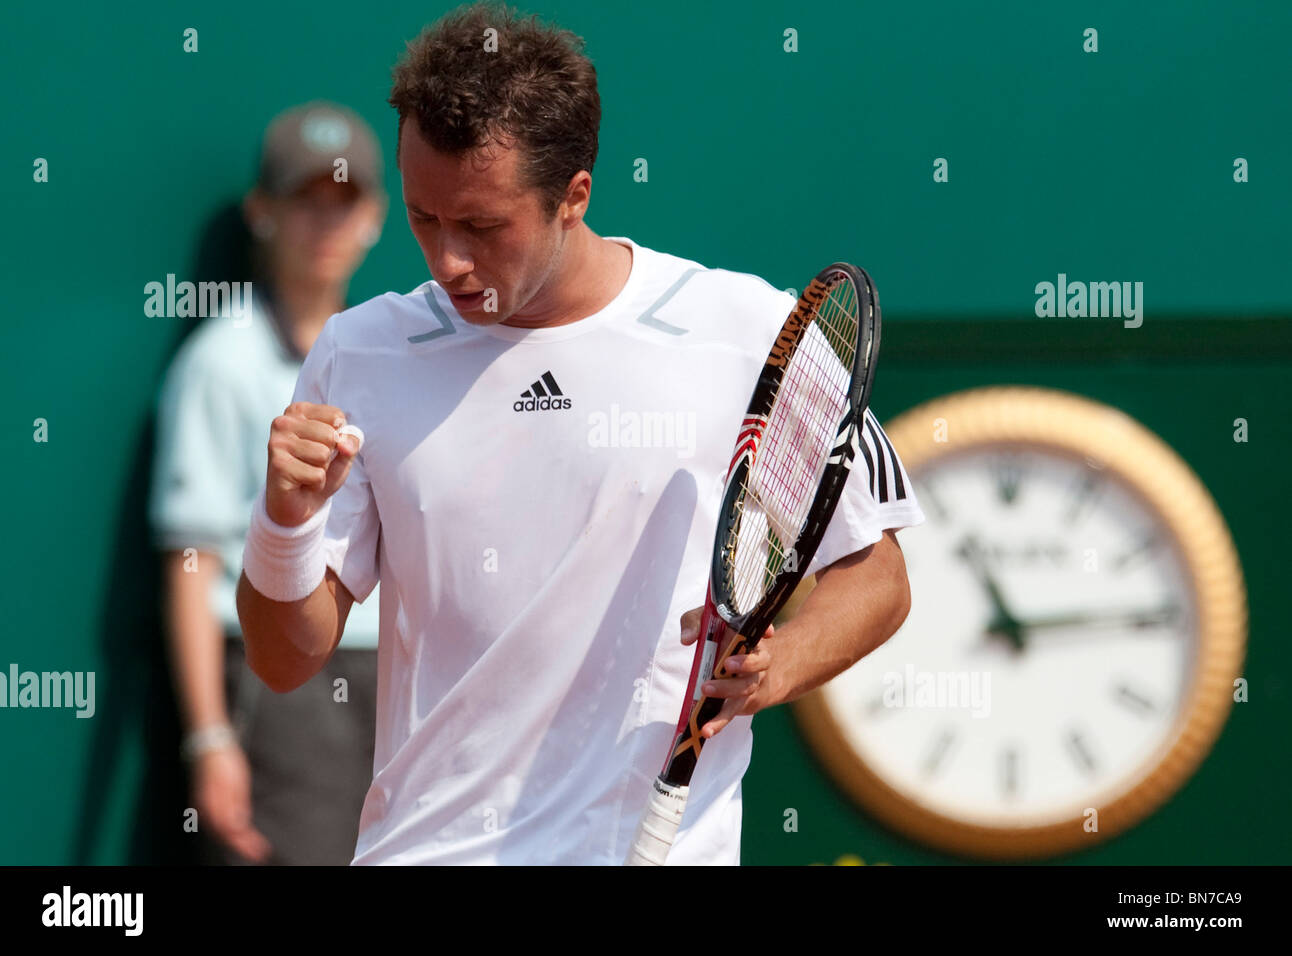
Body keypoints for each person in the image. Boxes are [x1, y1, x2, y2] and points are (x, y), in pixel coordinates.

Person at [237, 2, 923, 865]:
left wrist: (782, 668)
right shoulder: (359, 351)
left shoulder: (755, 330)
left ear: (574, 196)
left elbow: (879, 575)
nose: (447, 260)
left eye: (482, 226)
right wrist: (285, 519)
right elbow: (283, 657)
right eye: (423, 218)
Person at [150, 101, 387, 864]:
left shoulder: (389, 357)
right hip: (281, 690)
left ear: (375, 218)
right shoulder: (219, 362)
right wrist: (212, 738)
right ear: (263, 212)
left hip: (393, 683)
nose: (325, 224)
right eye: (303, 202)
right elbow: (192, 565)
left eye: (342, 203)